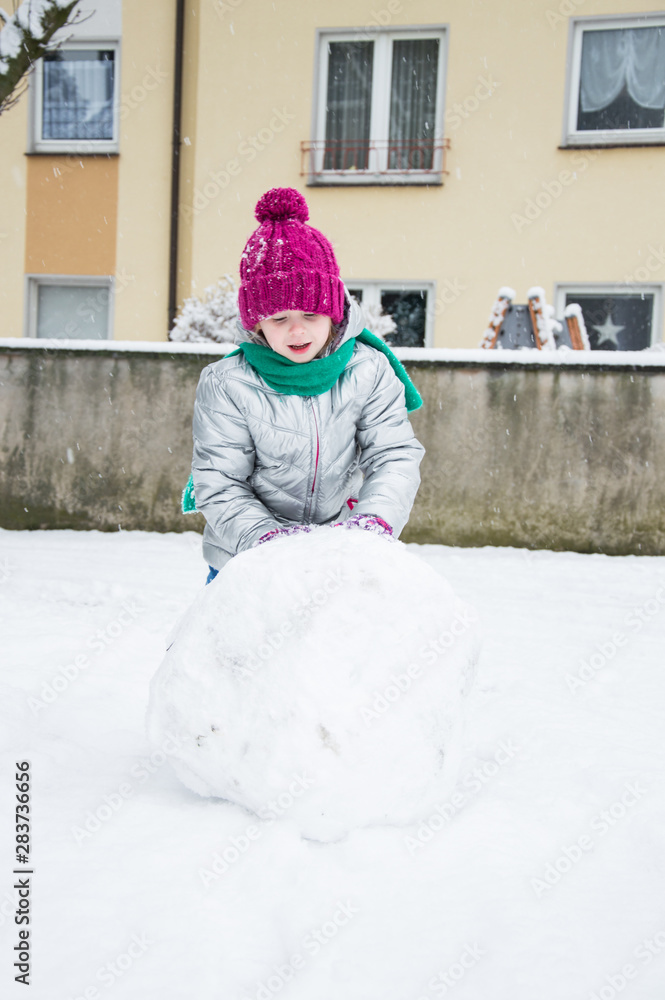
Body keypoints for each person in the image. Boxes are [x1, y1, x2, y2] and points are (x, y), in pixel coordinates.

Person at [182, 186, 425, 583]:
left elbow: (393, 455)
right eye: (279, 318)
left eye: (311, 314)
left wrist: (372, 523)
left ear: (333, 314)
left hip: (341, 557)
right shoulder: (228, 383)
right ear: (256, 322)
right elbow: (221, 480)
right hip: (247, 561)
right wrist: (269, 541)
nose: (297, 330)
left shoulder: (369, 370)